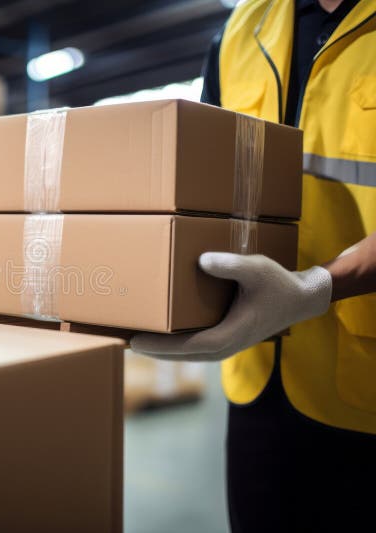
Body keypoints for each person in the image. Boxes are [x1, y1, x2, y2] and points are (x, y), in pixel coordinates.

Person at [130, 0, 376, 531]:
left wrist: (318, 286)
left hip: (367, 390)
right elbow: (203, 183)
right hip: (258, 381)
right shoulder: (242, 29)